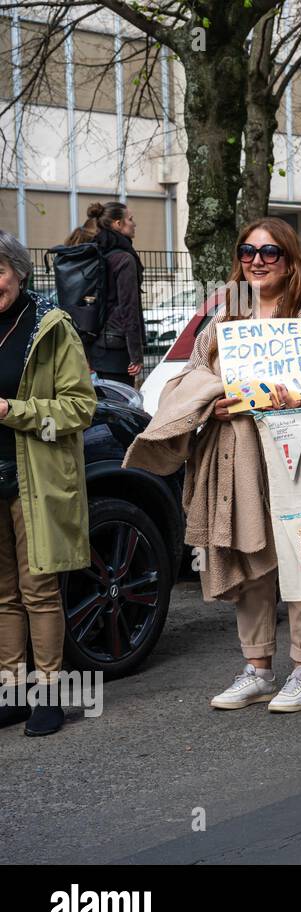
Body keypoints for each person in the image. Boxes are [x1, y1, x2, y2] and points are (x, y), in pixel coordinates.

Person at [125, 217, 301, 715]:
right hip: (239, 456)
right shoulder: (226, 321)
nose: (257, 260)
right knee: (249, 555)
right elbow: (187, 381)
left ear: (291, 258)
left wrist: (300, 397)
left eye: (270, 252)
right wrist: (211, 401)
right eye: (248, 250)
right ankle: (257, 669)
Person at [0, 231, 97, 737]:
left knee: (38, 590)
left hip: (33, 475)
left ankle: (49, 693)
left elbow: (80, 408)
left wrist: (12, 411)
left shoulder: (50, 327)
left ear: (18, 272)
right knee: (2, 594)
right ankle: (13, 691)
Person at [82, 202, 145, 387]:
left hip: (96, 344)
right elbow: (129, 307)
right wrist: (136, 355)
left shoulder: (96, 254)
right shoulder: (124, 259)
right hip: (117, 348)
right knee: (120, 408)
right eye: (130, 219)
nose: (134, 224)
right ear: (118, 224)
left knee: (103, 406)